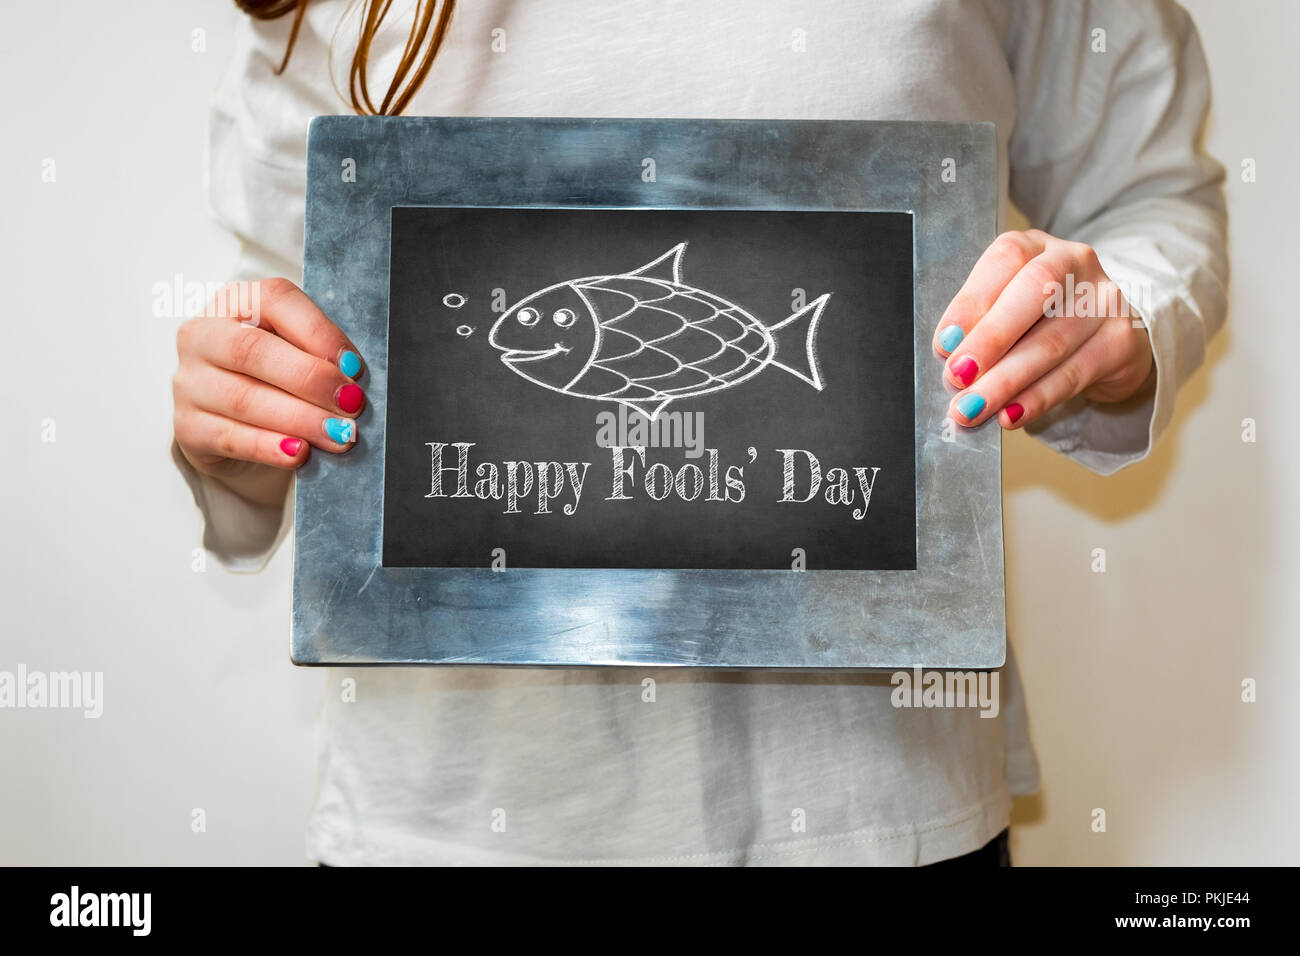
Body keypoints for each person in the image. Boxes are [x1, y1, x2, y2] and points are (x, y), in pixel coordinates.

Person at [171, 0, 1227, 865]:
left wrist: (1112, 322)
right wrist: (237, 430)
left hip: (881, 818)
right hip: (441, 825)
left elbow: (1153, 201)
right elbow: (275, 312)